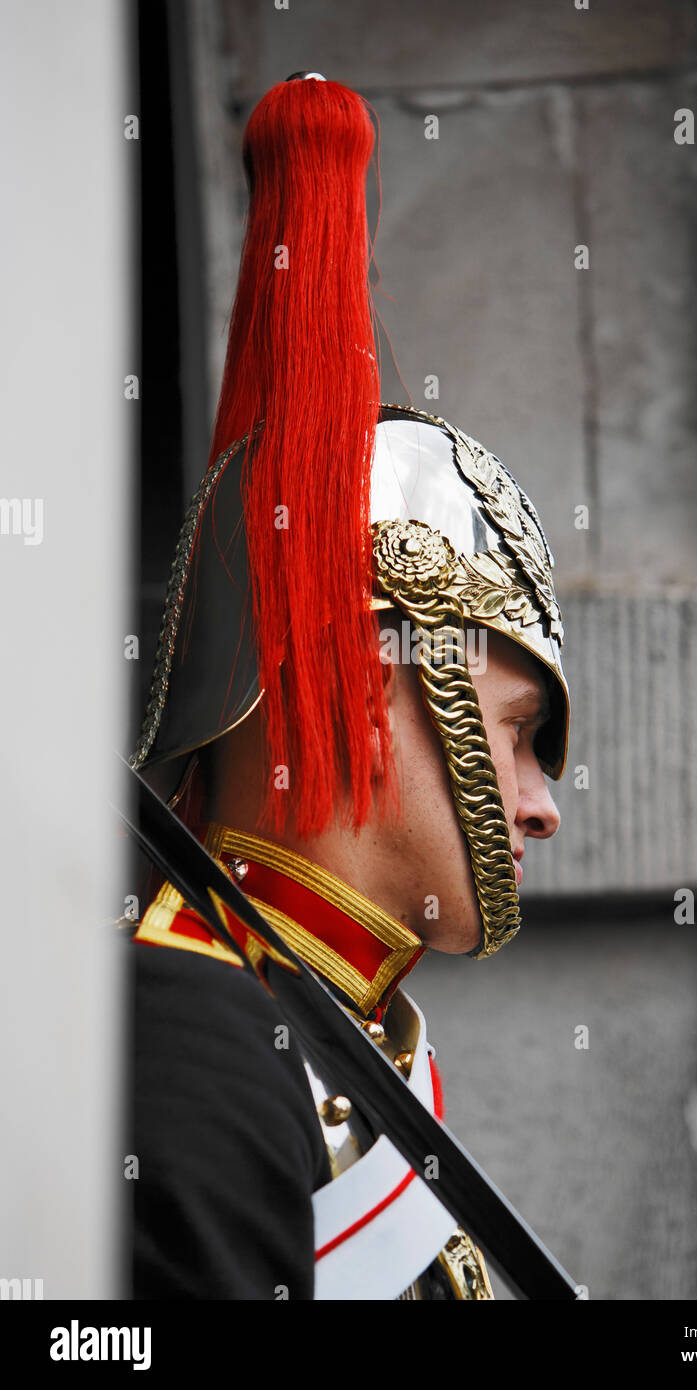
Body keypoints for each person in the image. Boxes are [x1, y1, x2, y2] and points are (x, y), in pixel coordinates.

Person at [128, 74, 569, 1301]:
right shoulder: (186, 1028)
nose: (539, 807)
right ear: (376, 686)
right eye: (523, 736)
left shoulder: (343, 1059)